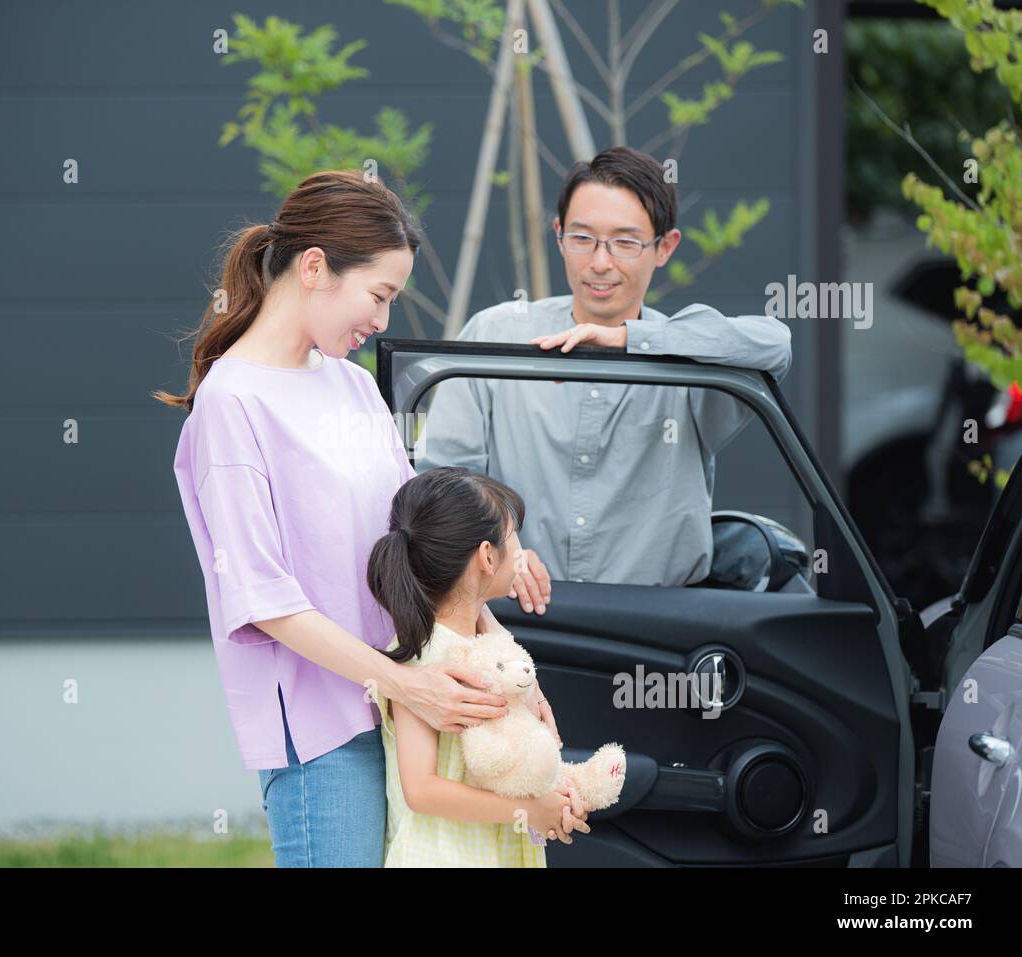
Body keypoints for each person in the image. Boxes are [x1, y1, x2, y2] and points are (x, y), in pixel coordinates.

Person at [158, 170, 589, 867]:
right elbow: (263, 599)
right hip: (325, 731)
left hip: (401, 715)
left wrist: (513, 667)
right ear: (315, 267)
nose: (383, 322)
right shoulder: (231, 405)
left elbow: (422, 552)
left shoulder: (353, 387)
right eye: (379, 295)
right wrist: (404, 682)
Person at [415, 146, 793, 592]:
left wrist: (632, 339)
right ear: (558, 236)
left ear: (664, 247)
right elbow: (444, 478)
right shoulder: (497, 333)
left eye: (625, 242)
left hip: (659, 622)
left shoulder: (690, 359)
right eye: (582, 238)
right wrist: (499, 547)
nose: (599, 262)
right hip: (516, 611)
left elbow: (774, 343)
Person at [368, 466, 583, 866]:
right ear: (487, 556)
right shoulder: (423, 658)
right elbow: (422, 789)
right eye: (514, 536)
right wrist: (527, 810)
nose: (521, 551)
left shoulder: (491, 647)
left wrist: (548, 798)